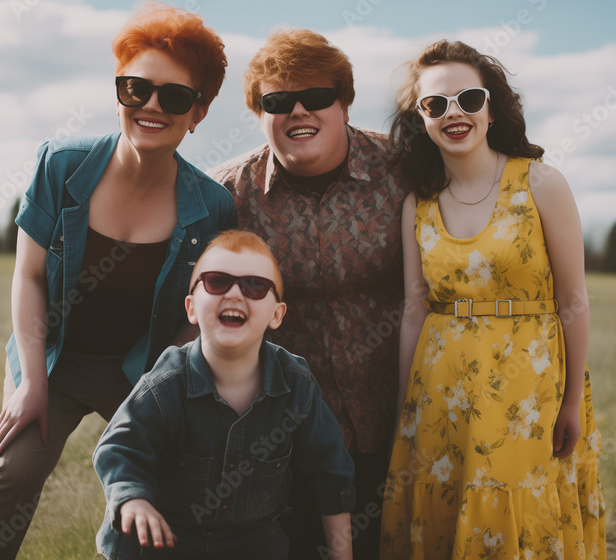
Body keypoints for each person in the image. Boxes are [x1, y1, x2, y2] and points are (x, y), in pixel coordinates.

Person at [0, 6, 235, 559]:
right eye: (136, 88)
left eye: (173, 97)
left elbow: (189, 318)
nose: (151, 105)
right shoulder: (61, 166)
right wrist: (30, 381)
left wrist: (162, 397)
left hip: (140, 369)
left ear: (197, 112)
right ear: (119, 91)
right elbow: (28, 275)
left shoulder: (212, 206)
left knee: (165, 487)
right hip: (51, 360)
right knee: (15, 476)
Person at [380, 40, 606, 559]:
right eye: (435, 105)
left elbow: (573, 300)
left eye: (468, 98)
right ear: (421, 118)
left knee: (518, 514)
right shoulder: (418, 201)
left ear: (492, 106)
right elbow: (415, 310)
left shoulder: (542, 183)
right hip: (440, 396)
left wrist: (571, 401)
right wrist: (403, 409)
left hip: (529, 392)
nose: (453, 113)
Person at [209, 28, 410, 559]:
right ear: (259, 113)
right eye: (278, 101)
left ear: (343, 103)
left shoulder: (408, 171)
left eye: (316, 97)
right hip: (282, 429)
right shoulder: (225, 196)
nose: (299, 112)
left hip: (399, 411)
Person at [93, 230, 355, 560]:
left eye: (255, 285)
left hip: (251, 543)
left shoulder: (296, 385)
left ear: (277, 314)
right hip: (164, 541)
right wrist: (133, 499)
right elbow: (120, 448)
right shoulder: (167, 382)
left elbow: (331, 474)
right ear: (191, 307)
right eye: (217, 281)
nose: (234, 293)